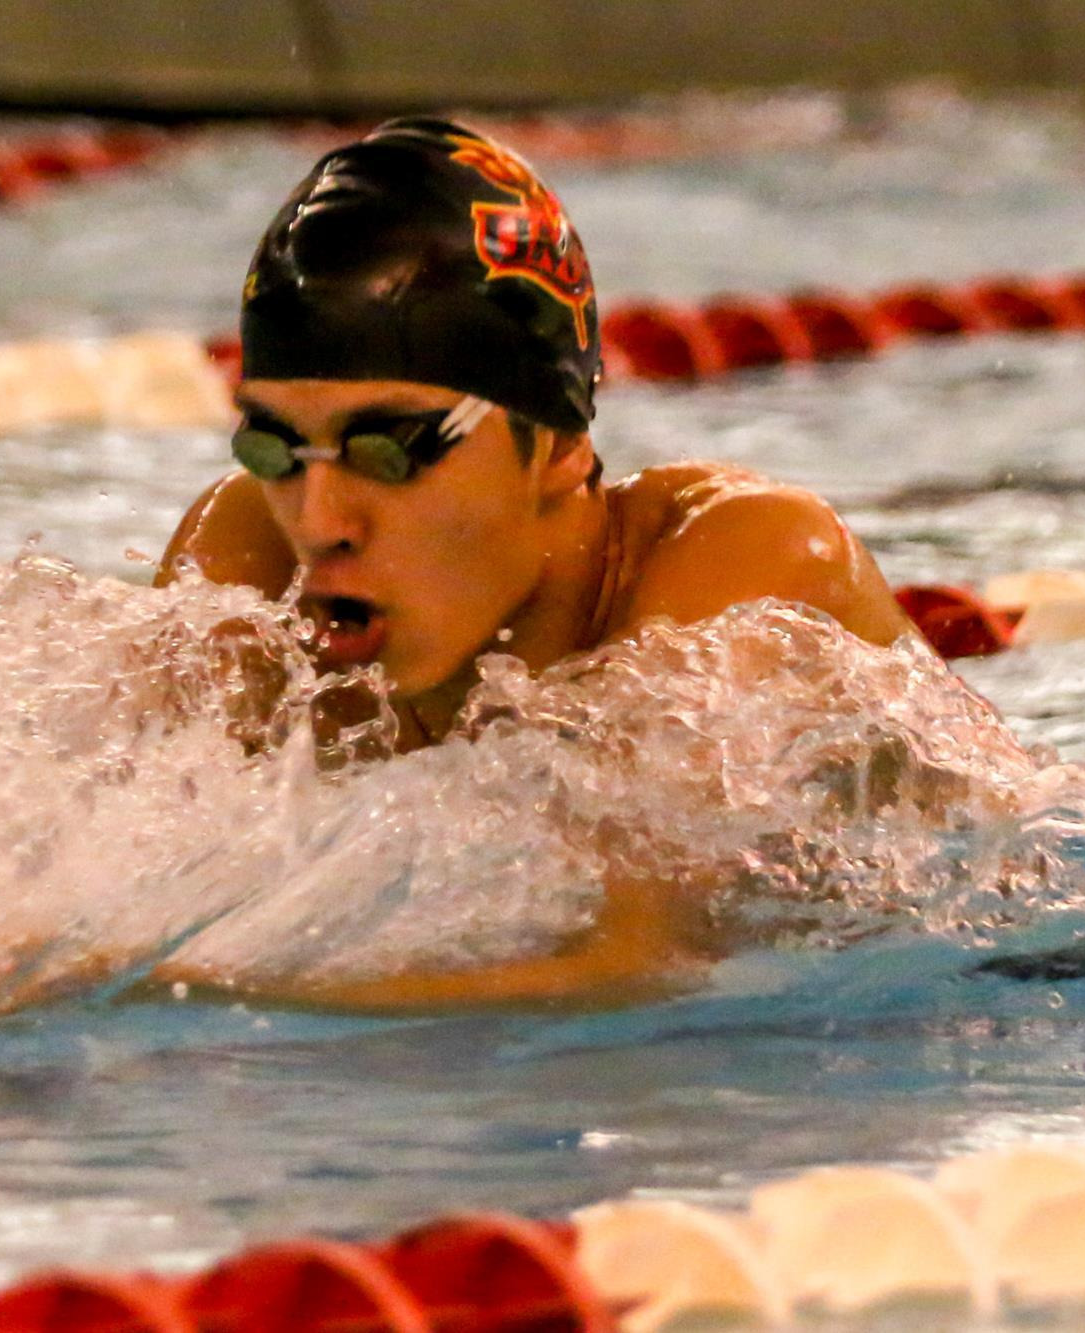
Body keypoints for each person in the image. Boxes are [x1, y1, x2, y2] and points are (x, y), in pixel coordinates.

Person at [144, 117, 915, 1011]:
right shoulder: (250, 562)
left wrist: (165, 997)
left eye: (391, 450)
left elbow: (639, 968)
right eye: (278, 448)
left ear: (554, 445)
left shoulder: (738, 570)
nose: (319, 523)